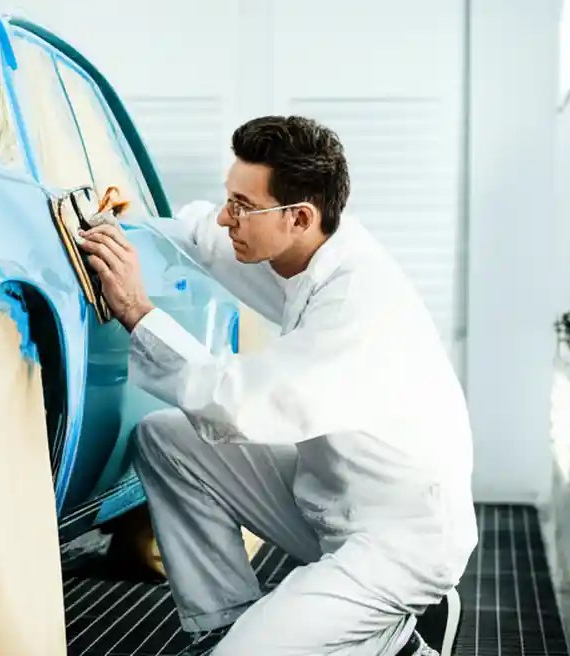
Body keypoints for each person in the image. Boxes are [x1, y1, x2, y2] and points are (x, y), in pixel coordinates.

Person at [77, 115, 477, 656]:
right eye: (229, 198)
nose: (226, 216)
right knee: (165, 440)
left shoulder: (358, 303)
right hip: (336, 494)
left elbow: (236, 407)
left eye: (242, 206)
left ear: (299, 216)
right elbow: (205, 237)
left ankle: (400, 638)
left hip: (399, 541)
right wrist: (128, 224)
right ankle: (226, 623)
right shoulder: (312, 247)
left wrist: (135, 310)